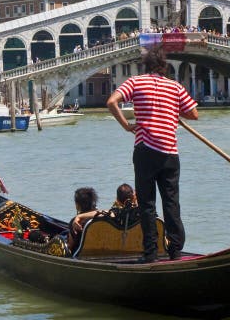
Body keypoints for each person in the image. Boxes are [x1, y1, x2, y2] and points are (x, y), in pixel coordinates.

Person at [106, 45, 198, 263]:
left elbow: (111, 102)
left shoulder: (135, 82)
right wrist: (174, 110)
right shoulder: (174, 87)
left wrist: (126, 126)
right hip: (169, 153)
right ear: (164, 67)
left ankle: (150, 254)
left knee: (147, 204)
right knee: (171, 203)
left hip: (145, 150)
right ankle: (175, 251)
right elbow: (194, 114)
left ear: (145, 65)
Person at [67, 187, 99, 253]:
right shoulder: (101, 217)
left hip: (80, 254)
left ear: (77, 205)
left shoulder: (75, 222)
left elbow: (70, 246)